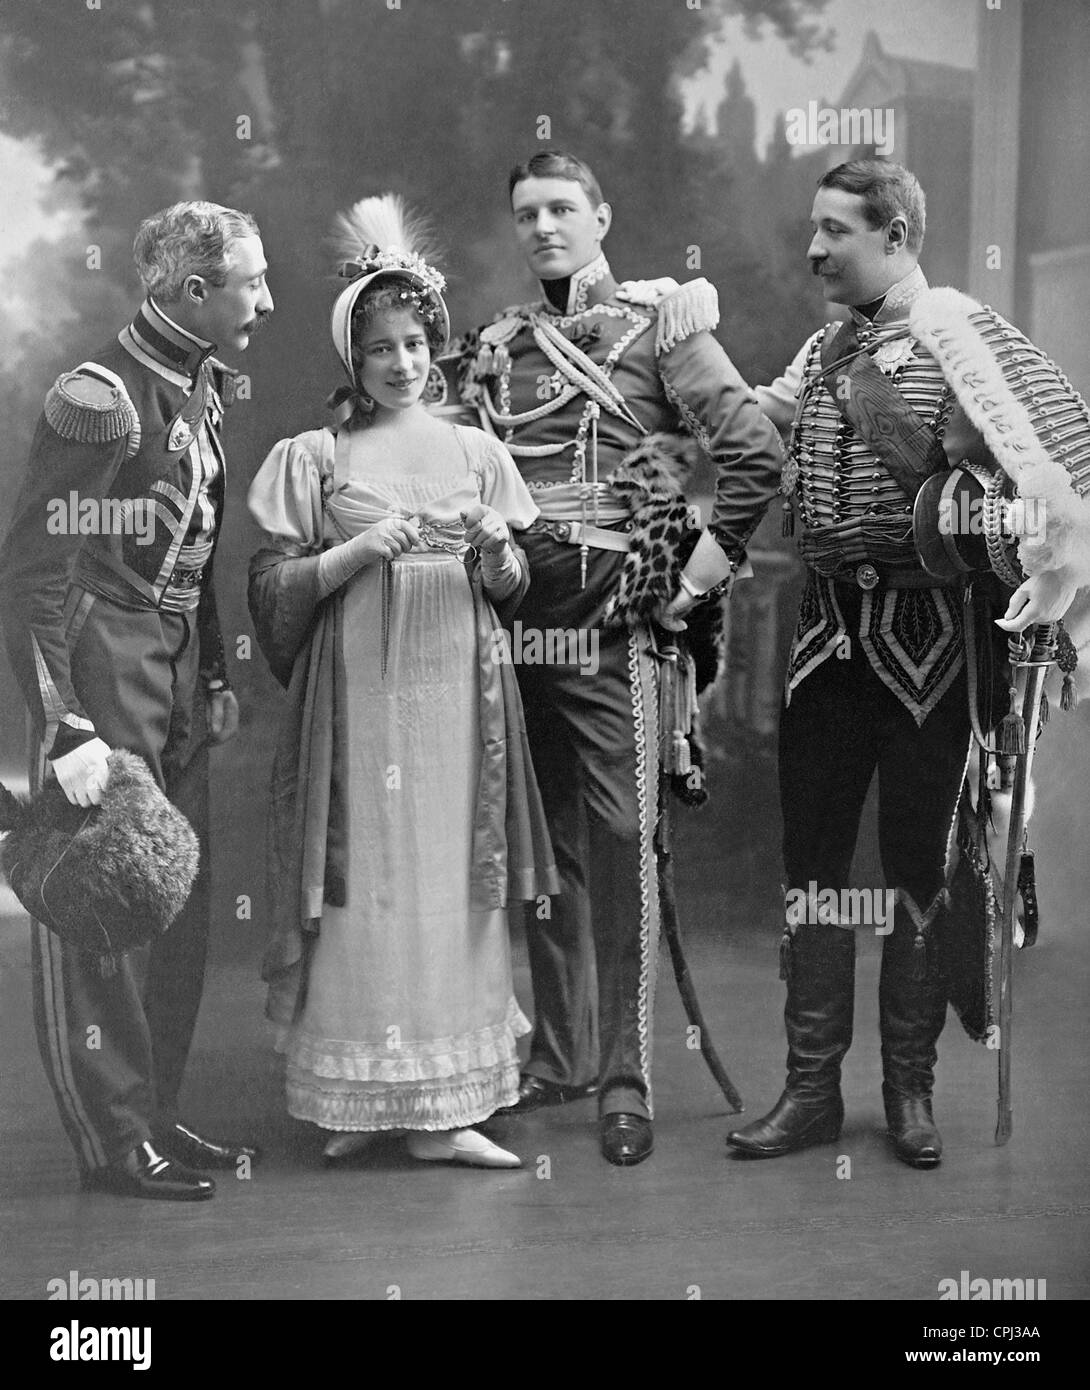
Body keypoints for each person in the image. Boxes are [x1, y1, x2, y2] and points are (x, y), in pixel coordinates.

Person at [727, 158, 1090, 1169]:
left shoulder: (965, 338)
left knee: (917, 870)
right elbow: (758, 425)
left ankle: (909, 1091)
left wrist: (1018, 553)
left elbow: (1054, 475)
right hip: (826, 636)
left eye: (834, 230)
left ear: (895, 237)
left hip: (932, 642)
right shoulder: (822, 345)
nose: (812, 249)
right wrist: (691, 360)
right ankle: (807, 1091)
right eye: (813, 228)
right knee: (811, 870)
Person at [453, 150, 784, 1165]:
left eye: (562, 208)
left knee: (618, 844)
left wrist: (695, 579)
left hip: (612, 615)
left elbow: (751, 453)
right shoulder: (495, 349)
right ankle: (560, 1051)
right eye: (526, 212)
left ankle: (626, 1073)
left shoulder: (660, 325)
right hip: (510, 618)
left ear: (602, 215)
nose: (544, 227)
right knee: (536, 841)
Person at [247, 196, 558, 1170]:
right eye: (380, 348)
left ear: (436, 347)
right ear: (354, 358)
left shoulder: (474, 452)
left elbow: (511, 591)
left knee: (447, 880)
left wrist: (498, 546)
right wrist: (358, 552)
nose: (402, 363)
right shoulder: (319, 458)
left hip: (457, 697)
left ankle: (444, 1111)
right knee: (364, 881)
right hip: (360, 707)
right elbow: (269, 592)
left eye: (416, 343)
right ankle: (365, 1099)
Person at [0, 201, 272, 1199]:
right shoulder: (100, 399)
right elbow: (28, 570)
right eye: (255, 279)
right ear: (197, 291)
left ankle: (154, 1109)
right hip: (101, 652)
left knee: (178, 896)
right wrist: (60, 718)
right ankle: (113, 1136)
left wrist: (209, 674)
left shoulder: (196, 390)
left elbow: (193, 554)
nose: (269, 297)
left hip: (172, 662)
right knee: (106, 896)